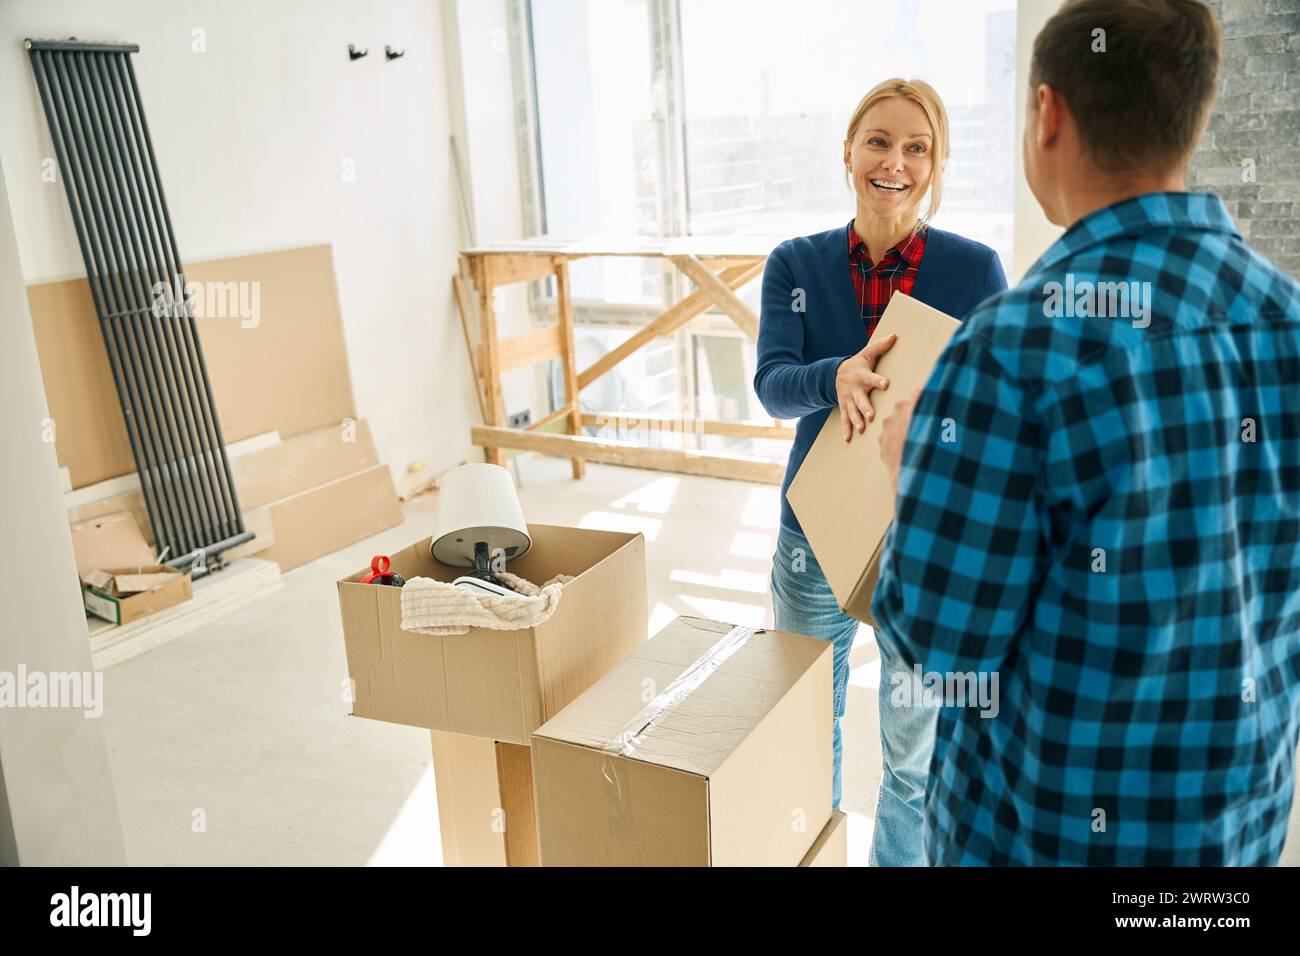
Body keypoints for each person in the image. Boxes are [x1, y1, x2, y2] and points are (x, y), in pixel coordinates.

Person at [874, 0, 1300, 865]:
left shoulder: (1010, 349)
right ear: (1195, 115)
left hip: (1044, 838)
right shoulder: (1287, 321)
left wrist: (906, 465)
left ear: (1048, 114)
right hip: (1234, 839)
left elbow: (939, 648)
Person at [754, 77, 1007, 865]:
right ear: (848, 154)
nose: (895, 160)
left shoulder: (975, 271)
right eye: (879, 141)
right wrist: (834, 377)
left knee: (913, 761)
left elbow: (1000, 408)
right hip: (814, 539)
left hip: (924, 545)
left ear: (935, 165)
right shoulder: (795, 264)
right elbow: (771, 384)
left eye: (916, 146)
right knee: (804, 727)